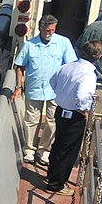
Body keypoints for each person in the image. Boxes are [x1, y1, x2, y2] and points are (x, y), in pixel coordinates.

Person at [13, 14, 77, 165]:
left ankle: (45, 150)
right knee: (31, 121)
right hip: (34, 89)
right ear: (41, 29)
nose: (50, 33)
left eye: (52, 30)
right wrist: (18, 87)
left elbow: (71, 66)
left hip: (55, 91)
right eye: (47, 30)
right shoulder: (29, 45)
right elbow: (19, 67)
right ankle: (29, 149)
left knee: (52, 121)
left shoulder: (63, 43)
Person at [44, 40, 102, 194]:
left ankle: (51, 175)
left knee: (58, 144)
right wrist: (84, 109)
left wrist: (62, 95)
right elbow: (83, 94)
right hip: (75, 115)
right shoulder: (89, 74)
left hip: (61, 110)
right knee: (69, 150)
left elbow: (53, 81)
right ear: (99, 56)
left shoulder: (68, 66)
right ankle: (56, 185)